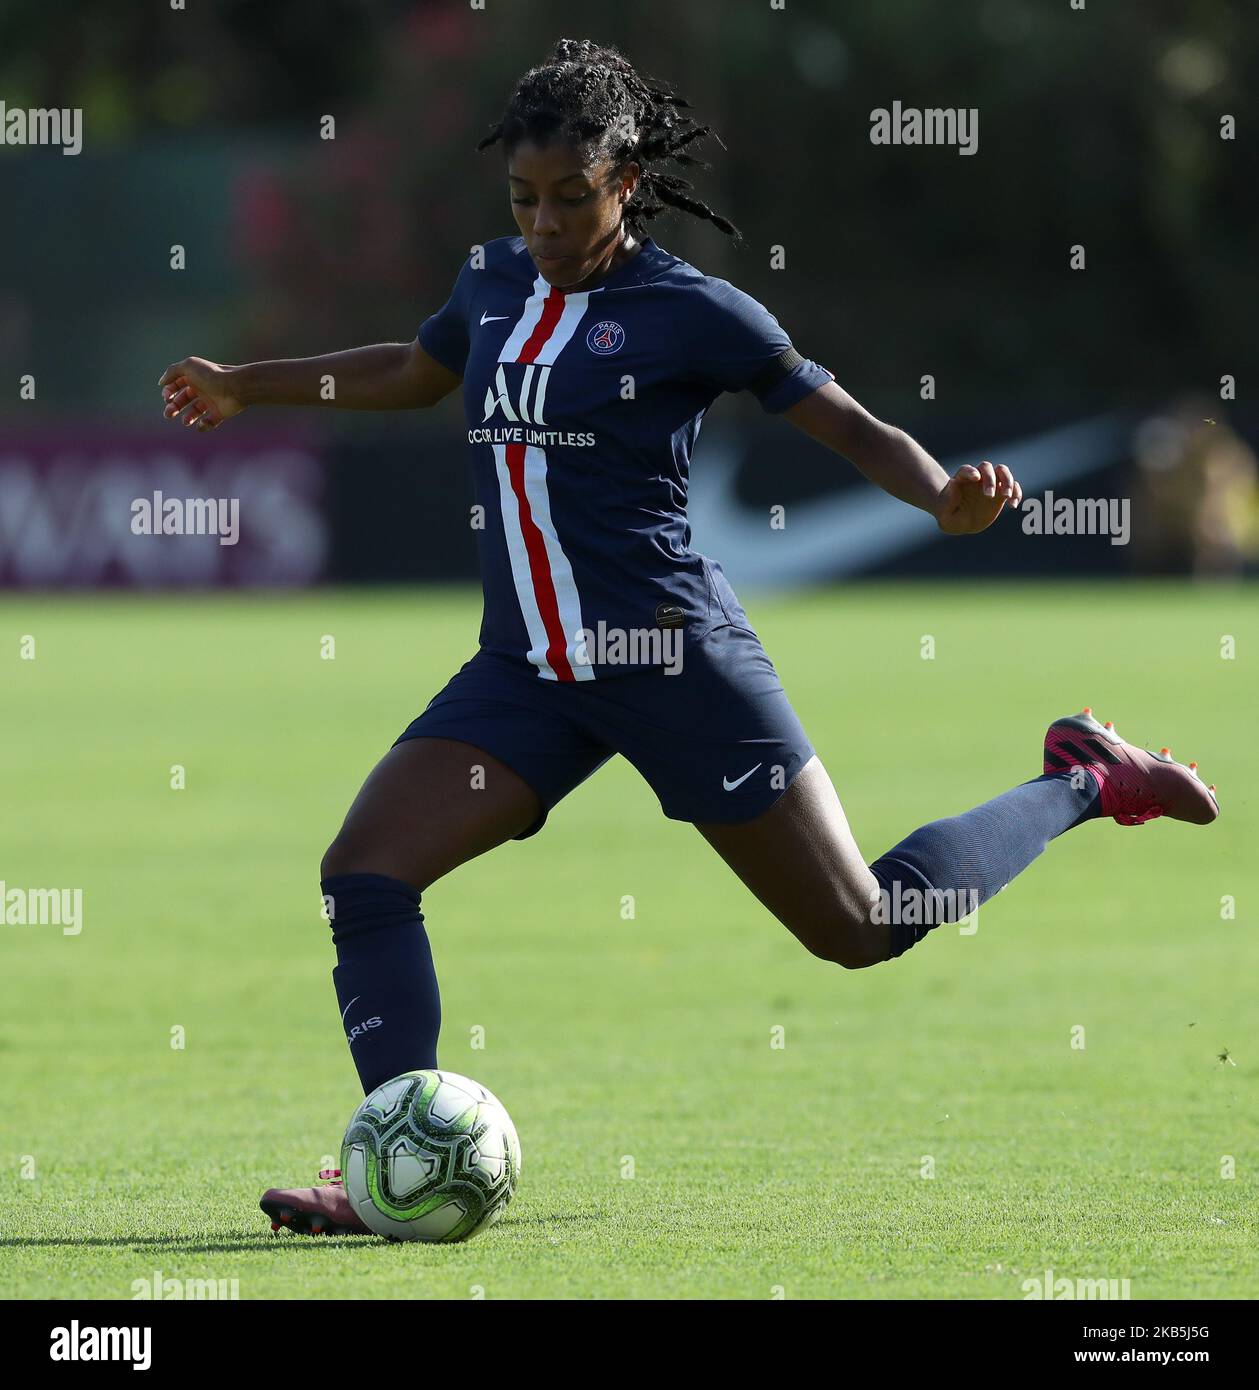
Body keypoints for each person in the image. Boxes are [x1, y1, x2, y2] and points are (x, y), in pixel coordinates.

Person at [159, 39, 1219, 1237]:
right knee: (364, 871)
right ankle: (388, 1169)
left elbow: (851, 424)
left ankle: (1080, 776)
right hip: (529, 673)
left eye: (571, 196)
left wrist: (938, 496)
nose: (545, 221)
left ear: (626, 183)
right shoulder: (492, 284)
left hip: (673, 662)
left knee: (860, 926)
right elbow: (414, 370)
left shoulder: (692, 311)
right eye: (524, 198)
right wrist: (251, 382)